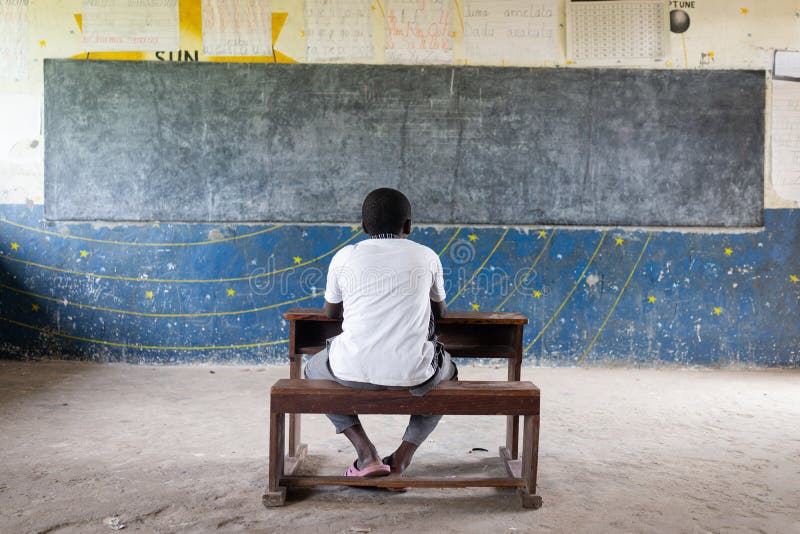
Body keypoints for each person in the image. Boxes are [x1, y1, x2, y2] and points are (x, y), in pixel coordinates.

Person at [304, 187, 457, 479]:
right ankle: (401, 458)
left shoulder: (345, 256)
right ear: (408, 225)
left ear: (363, 227)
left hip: (350, 369)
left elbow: (330, 314)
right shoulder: (426, 255)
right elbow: (440, 312)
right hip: (414, 373)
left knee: (312, 370)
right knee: (448, 378)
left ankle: (366, 454)